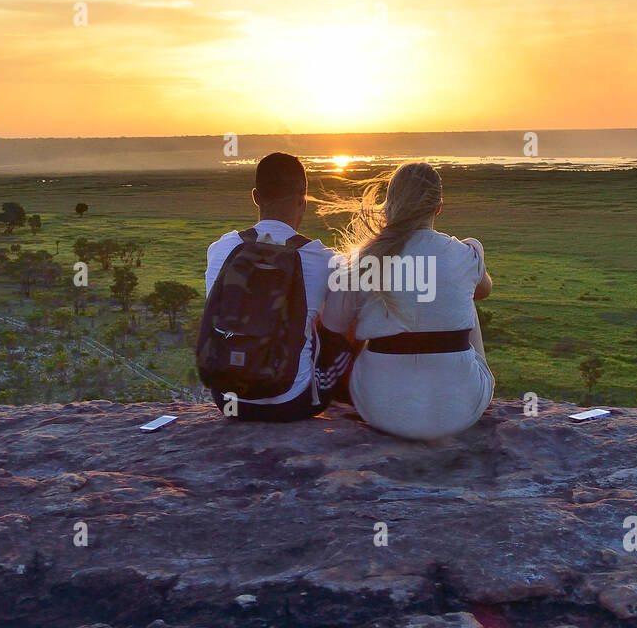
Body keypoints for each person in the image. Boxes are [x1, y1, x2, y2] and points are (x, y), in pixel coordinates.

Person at [320, 161, 494, 440]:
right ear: (438, 207)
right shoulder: (465, 253)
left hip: (380, 408)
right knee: (467, 297)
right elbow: (484, 290)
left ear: (389, 205)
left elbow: (333, 324)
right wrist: (472, 251)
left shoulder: (363, 260)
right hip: (460, 410)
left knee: (358, 306)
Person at [200, 152, 354, 421]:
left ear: (256, 197)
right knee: (338, 327)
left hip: (227, 400)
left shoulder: (221, 248)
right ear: (302, 198)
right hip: (291, 402)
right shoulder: (325, 259)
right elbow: (340, 322)